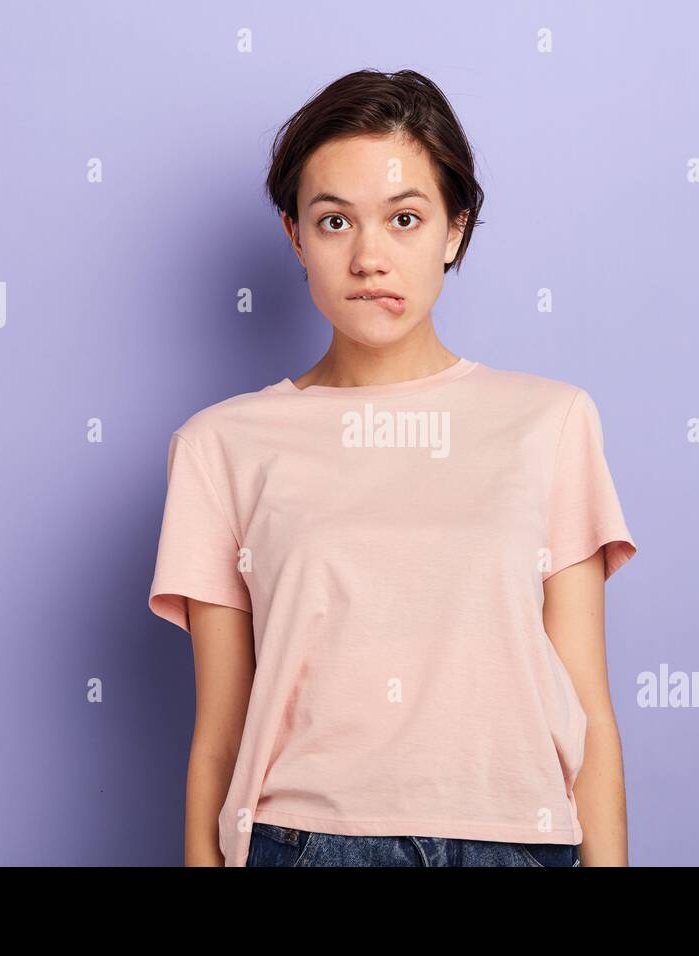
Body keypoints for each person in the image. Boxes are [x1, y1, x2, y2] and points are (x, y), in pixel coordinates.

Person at [148, 69, 638, 867]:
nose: (370, 257)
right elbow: (218, 736)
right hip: (304, 844)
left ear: (454, 231)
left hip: (517, 845)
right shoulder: (220, 446)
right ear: (294, 236)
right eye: (334, 221)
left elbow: (592, 709)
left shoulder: (552, 422)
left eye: (404, 218)